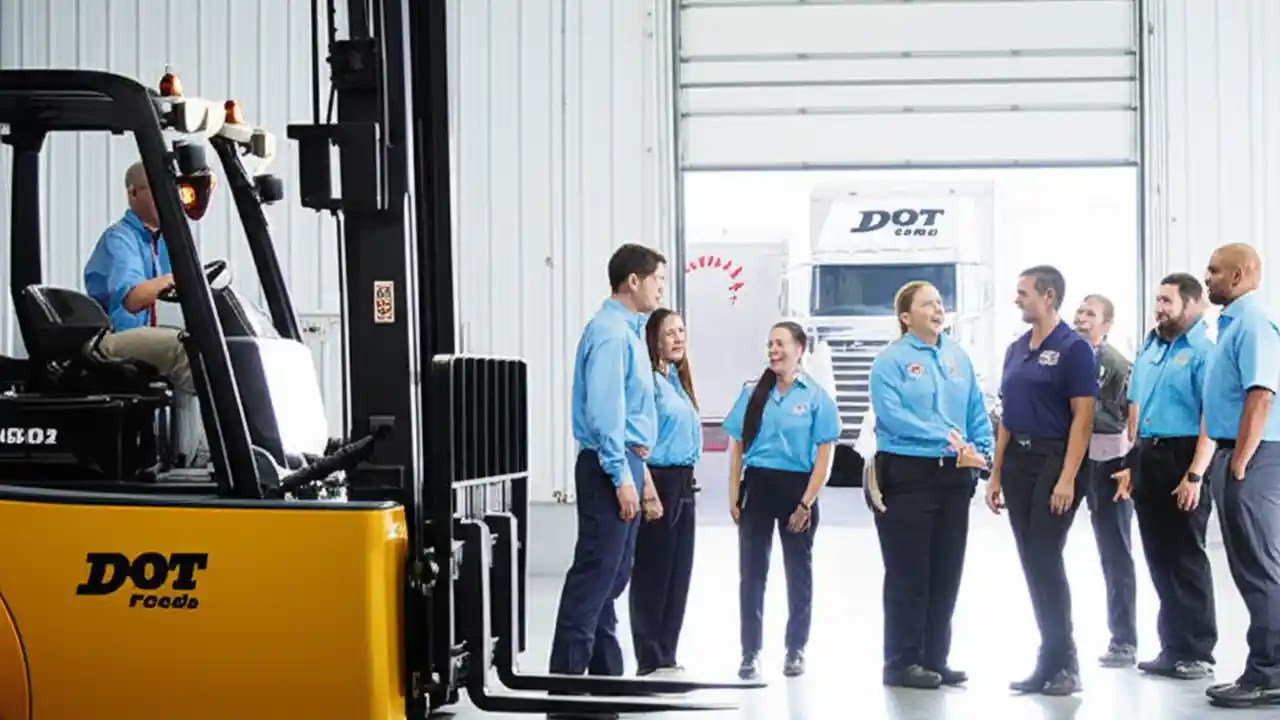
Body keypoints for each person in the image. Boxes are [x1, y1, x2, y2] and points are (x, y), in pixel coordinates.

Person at [547, 243, 666, 686]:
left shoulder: (629, 332)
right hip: (607, 467)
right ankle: (566, 693)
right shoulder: (612, 335)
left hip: (623, 466)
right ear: (632, 281)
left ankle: (603, 685)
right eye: (657, 279)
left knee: (611, 579)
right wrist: (621, 477)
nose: (660, 289)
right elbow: (604, 412)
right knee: (594, 578)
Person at [868, 281, 993, 690]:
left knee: (945, 572)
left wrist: (982, 450)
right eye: (927, 304)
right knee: (909, 574)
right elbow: (892, 416)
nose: (938, 309)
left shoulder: (958, 356)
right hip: (909, 475)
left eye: (940, 303)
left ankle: (936, 658)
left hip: (955, 476)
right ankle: (902, 662)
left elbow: (975, 409)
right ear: (906, 316)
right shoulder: (890, 362)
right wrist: (946, 436)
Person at [987, 265, 1096, 696]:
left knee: (1046, 558)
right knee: (1033, 561)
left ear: (1048, 296)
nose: (1017, 299)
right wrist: (994, 474)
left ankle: (1065, 663)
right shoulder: (1016, 349)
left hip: (1056, 459)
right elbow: (1007, 418)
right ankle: (1048, 661)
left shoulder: (1074, 349)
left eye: (1023, 292)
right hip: (1018, 462)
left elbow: (1083, 418)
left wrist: (1068, 477)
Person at [1111, 272, 1216, 681]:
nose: (1159, 308)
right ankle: (1173, 647)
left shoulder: (1204, 351)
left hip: (1185, 455)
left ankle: (1198, 651)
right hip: (1150, 455)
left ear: (1192, 305)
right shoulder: (1151, 347)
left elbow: (1212, 416)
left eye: (1167, 301)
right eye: (1157, 300)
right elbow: (1137, 408)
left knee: (1187, 556)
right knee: (1158, 555)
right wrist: (1132, 462)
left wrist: (1195, 474)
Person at [723, 321, 841, 680]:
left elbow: (825, 457)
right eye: (770, 343)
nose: (774, 350)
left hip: (797, 492)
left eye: (781, 344)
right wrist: (734, 496)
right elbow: (737, 450)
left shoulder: (815, 397)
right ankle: (750, 651)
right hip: (758, 487)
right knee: (752, 574)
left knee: (798, 574)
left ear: (799, 349)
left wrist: (806, 503)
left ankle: (795, 649)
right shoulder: (752, 395)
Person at [1199, 243, 1280, 709]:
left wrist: (1242, 461)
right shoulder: (1231, 324)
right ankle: (1264, 667)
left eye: (1214, 271)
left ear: (1242, 274)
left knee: (1260, 568)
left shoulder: (1254, 324)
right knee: (1250, 568)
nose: (1207, 278)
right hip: (1238, 454)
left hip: (1256, 457)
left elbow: (1261, 395)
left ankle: (1269, 673)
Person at [83, 160, 205, 467]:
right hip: (110, 340)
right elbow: (134, 298)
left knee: (208, 342)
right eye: (159, 190)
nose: (169, 196)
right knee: (184, 348)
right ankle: (220, 450)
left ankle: (190, 453)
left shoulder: (163, 241)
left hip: (140, 336)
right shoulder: (120, 238)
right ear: (133, 193)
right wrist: (179, 278)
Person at [629, 308, 700, 678]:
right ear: (653, 338)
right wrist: (648, 491)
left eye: (682, 331)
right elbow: (639, 441)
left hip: (684, 482)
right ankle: (648, 655)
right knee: (653, 573)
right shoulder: (648, 383)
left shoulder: (675, 380)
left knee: (678, 573)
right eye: (670, 332)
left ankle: (667, 653)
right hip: (658, 480)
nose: (678, 338)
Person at [1071, 294, 1138, 667]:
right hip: (1070, 462)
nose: (1082, 317)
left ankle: (1124, 639)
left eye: (1091, 313)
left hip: (1108, 462)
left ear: (1107, 324)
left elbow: (1131, 418)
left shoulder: (1115, 365)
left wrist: (1129, 464)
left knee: (1115, 553)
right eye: (1080, 311)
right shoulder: (1065, 357)